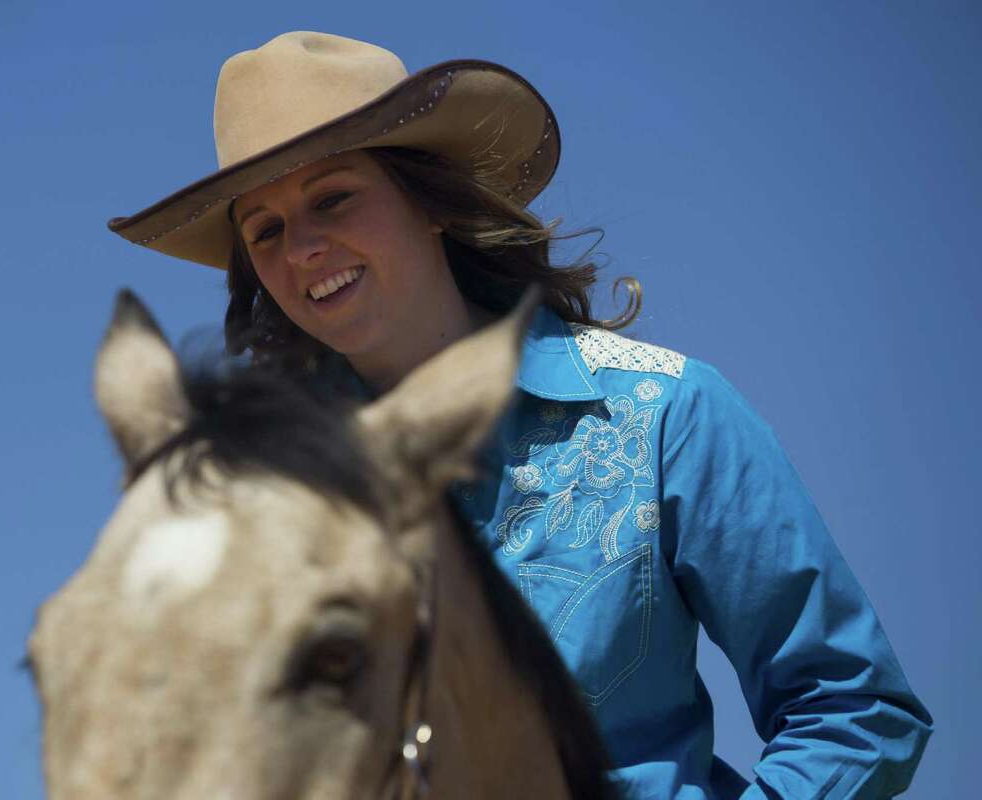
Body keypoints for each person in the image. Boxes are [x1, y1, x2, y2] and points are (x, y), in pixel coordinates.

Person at [107, 31, 933, 798]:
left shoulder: (665, 413)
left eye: (334, 199)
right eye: (267, 229)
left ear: (429, 200)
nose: (302, 250)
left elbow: (855, 711)